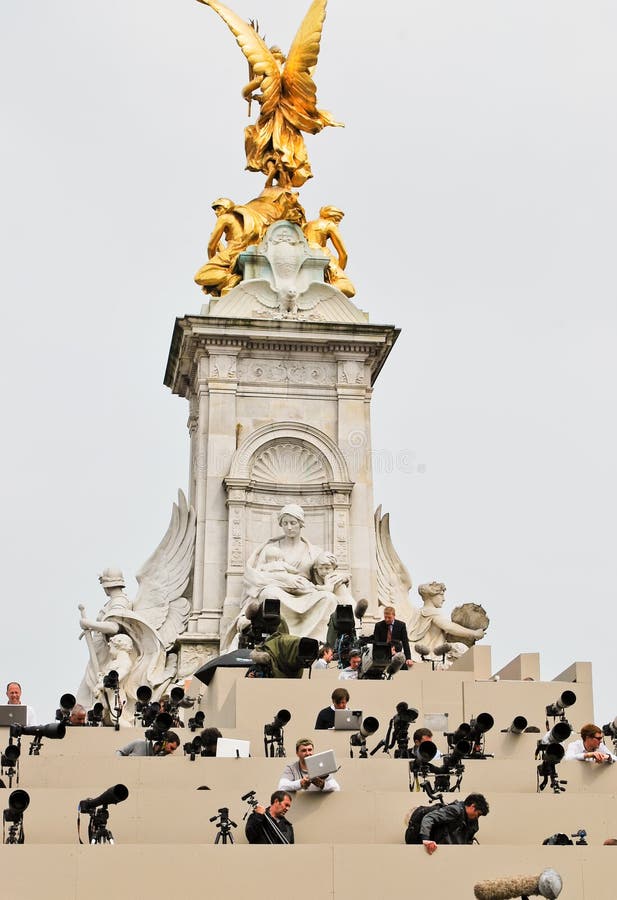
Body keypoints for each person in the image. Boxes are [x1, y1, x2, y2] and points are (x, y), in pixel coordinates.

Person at [240, 504, 350, 643]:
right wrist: (285, 579)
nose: (289, 527)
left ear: (301, 523)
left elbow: (323, 576)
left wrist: (338, 579)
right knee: (268, 594)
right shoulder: (270, 549)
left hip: (306, 592)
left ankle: (315, 641)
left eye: (293, 523)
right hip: (278, 589)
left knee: (328, 599)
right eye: (285, 523)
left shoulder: (314, 551)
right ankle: (278, 640)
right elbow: (257, 577)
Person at [303, 206, 355, 297]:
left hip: (303, 252)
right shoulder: (329, 225)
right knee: (349, 288)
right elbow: (343, 254)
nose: (337, 223)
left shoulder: (307, 224)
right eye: (337, 219)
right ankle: (323, 290)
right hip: (321, 254)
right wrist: (338, 271)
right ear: (332, 217)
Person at [419, 793, 490, 854]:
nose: (477, 817)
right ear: (472, 806)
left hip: (452, 853)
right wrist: (426, 840)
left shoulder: (472, 822)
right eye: (478, 814)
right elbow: (429, 818)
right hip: (438, 851)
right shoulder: (456, 810)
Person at [116, 730, 180, 757]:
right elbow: (120, 752)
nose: (171, 752)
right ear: (166, 741)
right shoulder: (138, 743)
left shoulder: (161, 758)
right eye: (171, 748)